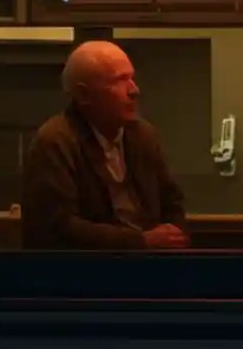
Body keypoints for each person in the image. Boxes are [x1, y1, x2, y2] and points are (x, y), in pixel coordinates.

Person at [22, 40, 190, 250]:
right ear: (84, 95)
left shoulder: (142, 135)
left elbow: (172, 201)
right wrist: (141, 242)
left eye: (132, 78)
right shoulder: (55, 141)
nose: (134, 90)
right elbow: (59, 227)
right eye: (120, 80)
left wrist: (173, 238)